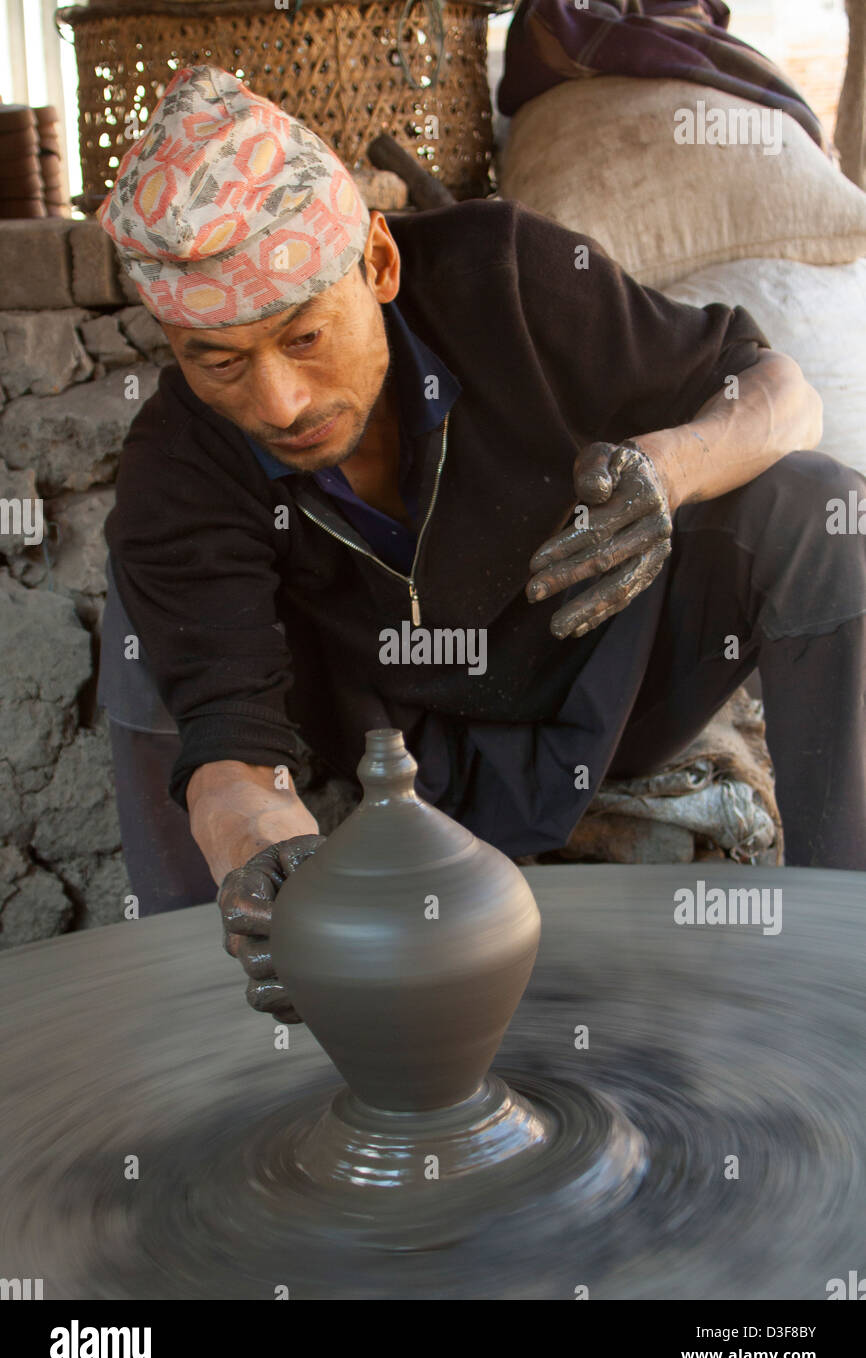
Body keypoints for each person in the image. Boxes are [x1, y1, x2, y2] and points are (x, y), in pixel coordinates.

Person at [97, 64, 866, 1023]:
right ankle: (196, 1013)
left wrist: (668, 470)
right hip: (396, 759)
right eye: (219, 362)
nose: (278, 404)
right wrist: (255, 846)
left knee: (822, 511)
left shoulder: (505, 273)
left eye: (303, 339)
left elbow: (779, 394)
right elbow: (231, 743)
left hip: (611, 693)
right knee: (137, 615)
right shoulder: (180, 461)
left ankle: (851, 941)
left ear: (378, 264)